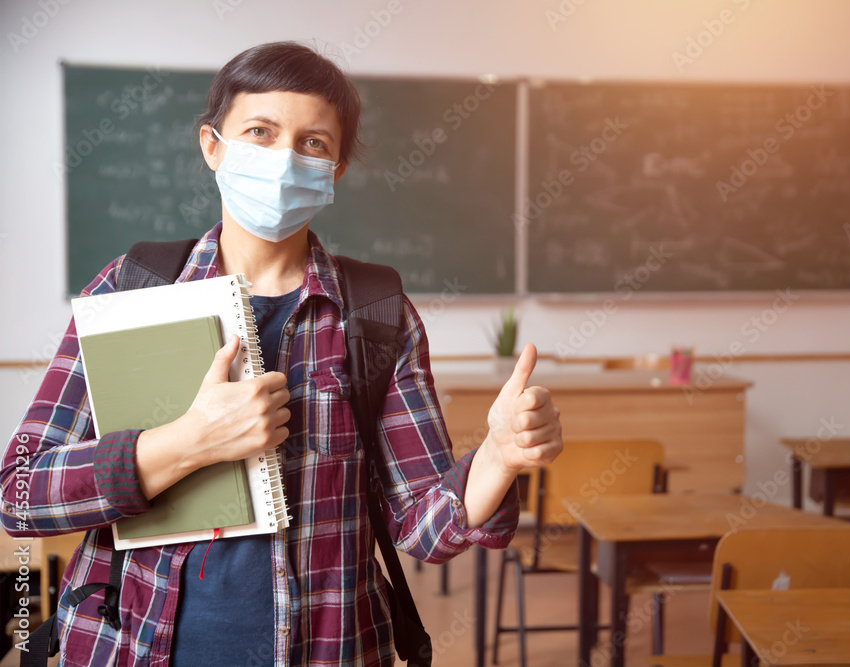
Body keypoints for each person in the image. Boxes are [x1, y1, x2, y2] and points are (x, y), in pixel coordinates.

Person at [1, 41, 563, 666]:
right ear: (213, 146)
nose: (284, 160)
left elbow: (422, 528)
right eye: (260, 132)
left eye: (313, 143)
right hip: (131, 646)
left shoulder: (375, 315)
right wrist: (189, 442)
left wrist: (498, 459)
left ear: (336, 170)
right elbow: (20, 497)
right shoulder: (134, 288)